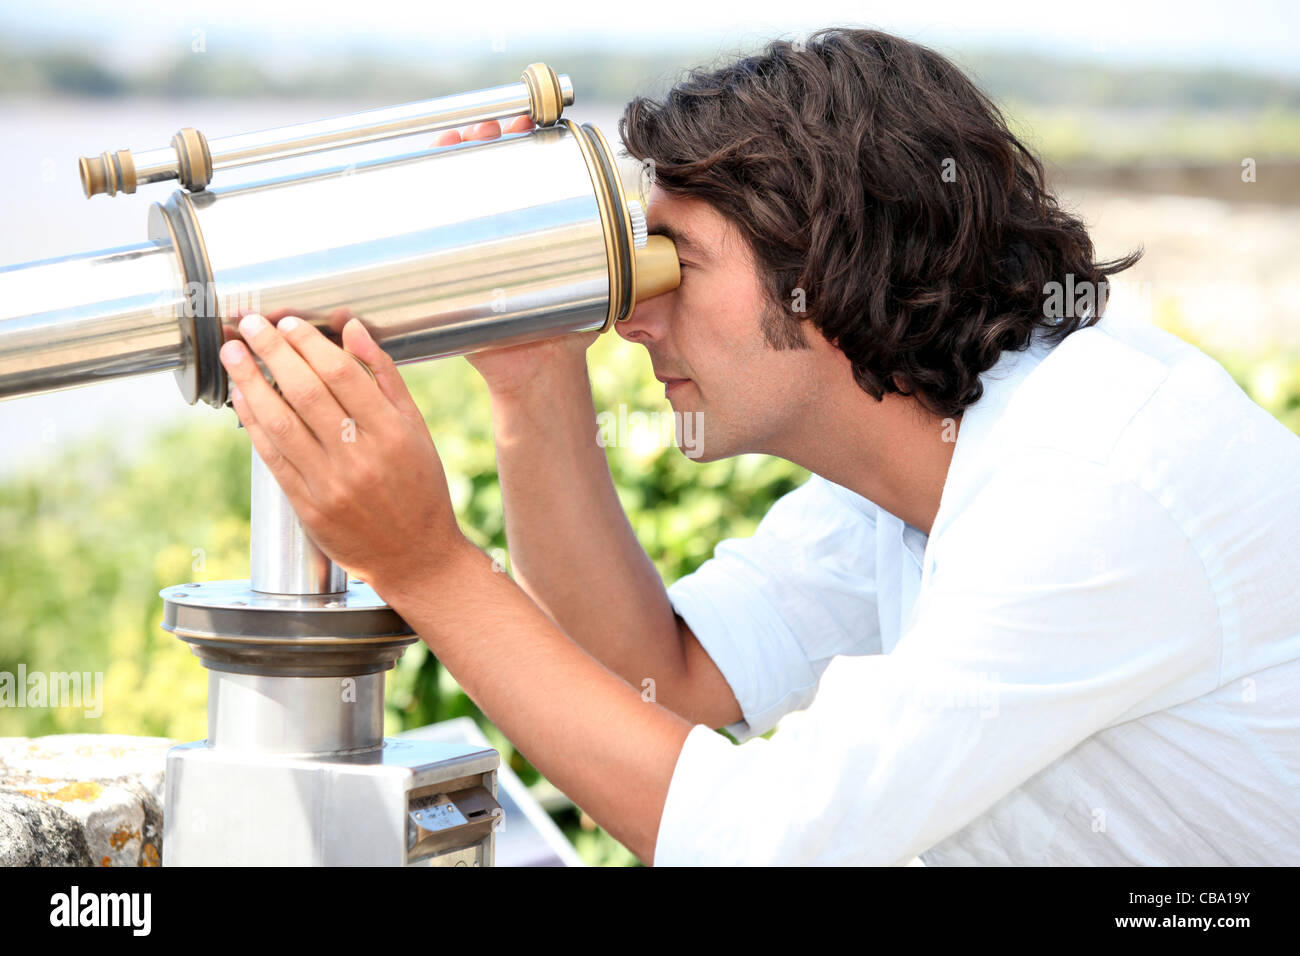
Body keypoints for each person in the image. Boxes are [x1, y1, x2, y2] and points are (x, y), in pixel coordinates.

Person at [215, 28, 1300, 865]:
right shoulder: (922, 454)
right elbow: (658, 676)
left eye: (675, 264)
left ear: (823, 266)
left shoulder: (1087, 481)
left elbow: (759, 844)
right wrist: (533, 376)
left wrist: (424, 562)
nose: (633, 320)